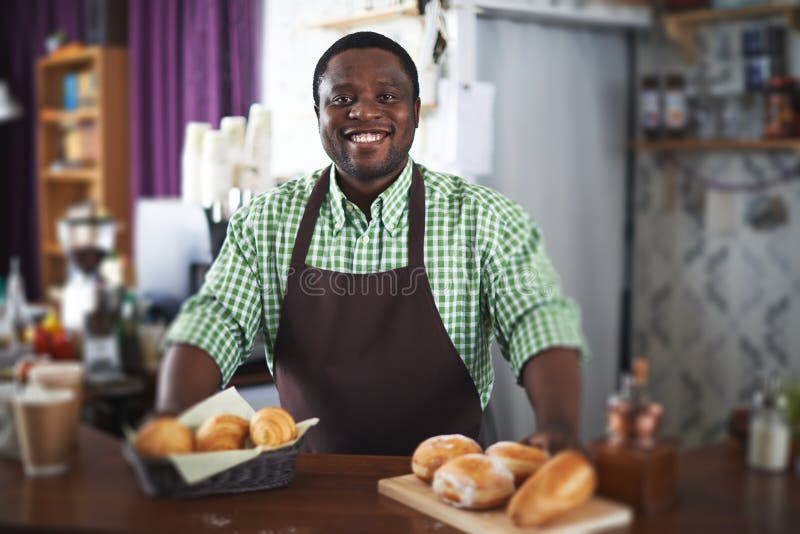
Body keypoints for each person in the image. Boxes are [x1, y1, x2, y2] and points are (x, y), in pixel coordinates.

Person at [158, 31, 587, 455]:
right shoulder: (263, 223)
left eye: (386, 97)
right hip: (309, 490)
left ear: (415, 112)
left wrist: (557, 425)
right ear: (319, 114)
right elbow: (215, 318)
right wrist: (172, 416)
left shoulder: (488, 219)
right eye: (342, 99)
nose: (363, 112)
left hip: (448, 489)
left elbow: (537, 317)